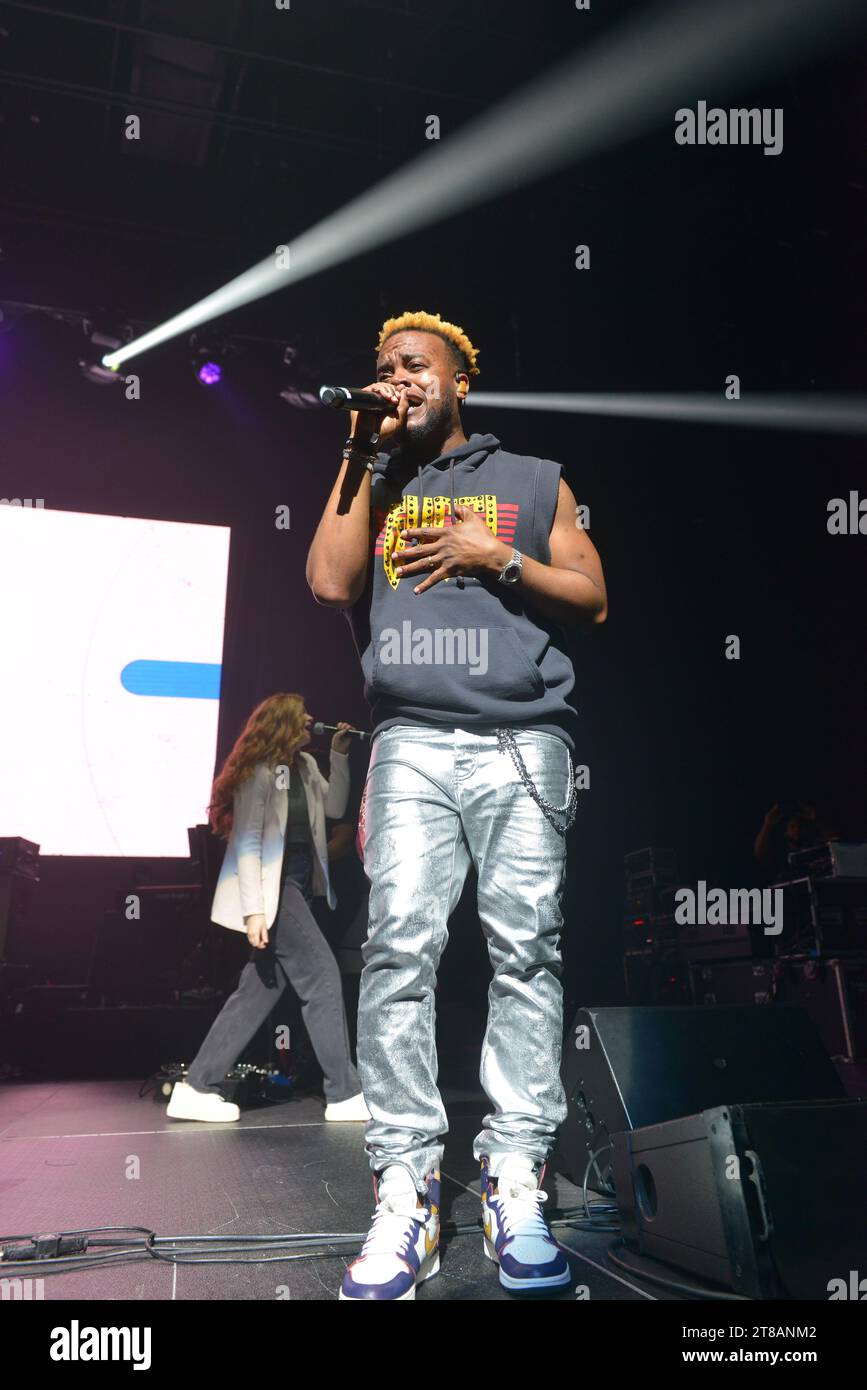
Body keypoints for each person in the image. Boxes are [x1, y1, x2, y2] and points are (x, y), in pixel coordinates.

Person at [306, 310, 607, 1299]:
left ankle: (514, 1173)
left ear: (457, 380)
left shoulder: (532, 477)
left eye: (414, 364)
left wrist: (499, 560)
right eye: (383, 363)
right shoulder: (377, 477)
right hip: (412, 742)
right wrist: (359, 446)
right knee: (398, 947)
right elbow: (328, 580)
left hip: (525, 738)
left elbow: (593, 595)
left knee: (525, 947)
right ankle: (408, 1187)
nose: (395, 375)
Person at [167, 693, 369, 1124]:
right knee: (322, 975)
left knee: (256, 993)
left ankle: (197, 1085)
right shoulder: (259, 773)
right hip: (272, 888)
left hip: (296, 882)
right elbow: (249, 843)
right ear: (281, 724)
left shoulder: (305, 768)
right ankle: (343, 1092)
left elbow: (333, 808)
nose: (312, 721)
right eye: (303, 716)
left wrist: (338, 755)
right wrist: (254, 912)